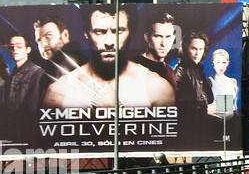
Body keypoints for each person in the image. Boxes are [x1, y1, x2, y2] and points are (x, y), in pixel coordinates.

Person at [41, 7, 175, 109]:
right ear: (86, 33)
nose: (109, 42)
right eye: (100, 32)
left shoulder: (157, 88)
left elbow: (166, 143)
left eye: (118, 31)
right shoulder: (59, 91)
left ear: (130, 32)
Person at [173, 31, 216, 121]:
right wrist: (205, 110)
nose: (198, 53)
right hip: (191, 126)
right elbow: (178, 106)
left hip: (203, 122)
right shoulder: (180, 71)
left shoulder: (198, 70)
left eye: (201, 49)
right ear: (185, 48)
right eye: (194, 49)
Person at [6, 33, 46, 127]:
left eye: (19, 46)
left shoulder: (37, 72)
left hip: (28, 127)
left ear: (28, 49)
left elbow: (33, 107)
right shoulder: (12, 75)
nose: (15, 49)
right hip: (12, 126)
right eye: (11, 47)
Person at [134, 12, 179, 87]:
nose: (163, 43)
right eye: (158, 36)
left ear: (173, 39)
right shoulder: (132, 67)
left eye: (168, 37)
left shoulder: (171, 73)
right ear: (147, 38)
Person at [34, 14, 83, 79]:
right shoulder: (44, 74)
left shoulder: (81, 65)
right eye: (39, 40)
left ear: (65, 35)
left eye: (48, 36)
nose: (43, 44)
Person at [209, 49, 238, 116]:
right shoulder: (208, 82)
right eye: (218, 62)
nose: (221, 66)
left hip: (232, 121)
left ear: (228, 63)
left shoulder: (233, 81)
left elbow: (234, 106)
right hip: (215, 121)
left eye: (224, 62)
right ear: (213, 63)